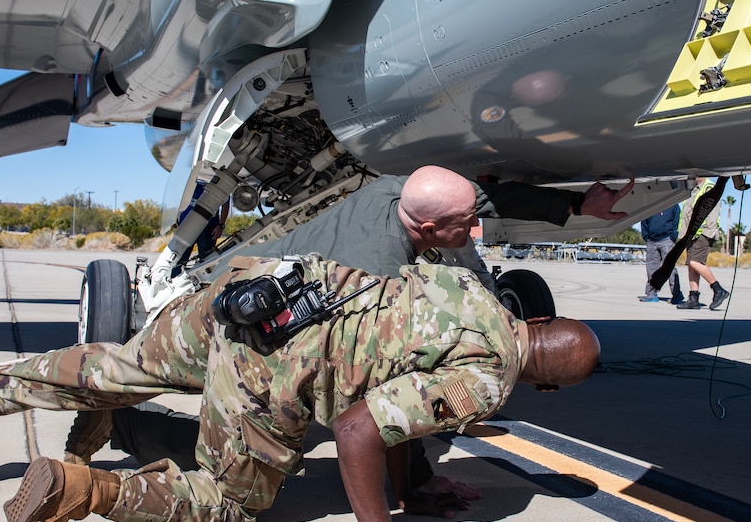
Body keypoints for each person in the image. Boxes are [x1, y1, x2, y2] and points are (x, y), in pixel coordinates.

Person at [0, 254, 600, 522]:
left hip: (258, 294)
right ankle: (80, 489)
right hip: (269, 365)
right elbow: (363, 428)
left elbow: (399, 399)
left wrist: (410, 485)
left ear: (537, 320)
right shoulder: (485, 380)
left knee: (119, 367)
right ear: (541, 381)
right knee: (230, 502)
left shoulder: (472, 290)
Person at [64, 166, 632, 501]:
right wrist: (403, 512)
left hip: (242, 292)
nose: (476, 230)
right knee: (246, 474)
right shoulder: (378, 271)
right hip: (251, 325)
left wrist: (578, 203)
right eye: (463, 228)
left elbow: (477, 196)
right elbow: (371, 410)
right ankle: (125, 429)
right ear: (429, 229)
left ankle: (61, 399)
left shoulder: (396, 190)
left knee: (132, 368)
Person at [676, 178, 730, 311]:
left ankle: (718, 289)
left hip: (703, 232)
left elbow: (712, 212)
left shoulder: (709, 188)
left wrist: (707, 232)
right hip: (691, 234)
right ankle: (693, 298)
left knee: (695, 262)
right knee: (691, 265)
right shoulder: (692, 190)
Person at [637, 204, 683, 304]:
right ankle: (651, 294)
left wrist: (673, 236)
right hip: (652, 240)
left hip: (667, 240)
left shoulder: (673, 205)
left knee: (670, 268)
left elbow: (677, 220)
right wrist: (646, 236)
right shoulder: (650, 204)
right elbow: (644, 221)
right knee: (651, 268)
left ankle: (677, 295)